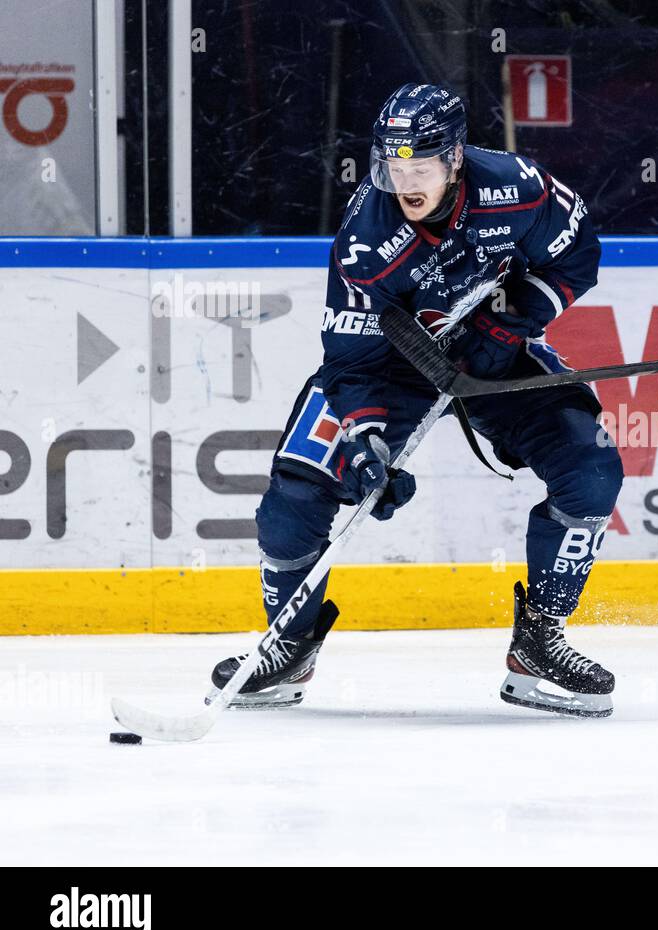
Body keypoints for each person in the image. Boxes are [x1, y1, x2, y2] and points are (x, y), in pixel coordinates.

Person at [208, 82, 623, 718]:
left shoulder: (519, 188)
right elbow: (351, 362)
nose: (404, 182)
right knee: (294, 498)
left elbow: (576, 259)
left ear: (456, 157)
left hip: (495, 352)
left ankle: (539, 640)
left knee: (590, 467)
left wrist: (504, 326)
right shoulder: (365, 242)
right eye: (391, 167)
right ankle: (288, 646)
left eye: (420, 166)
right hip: (393, 369)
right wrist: (368, 443)